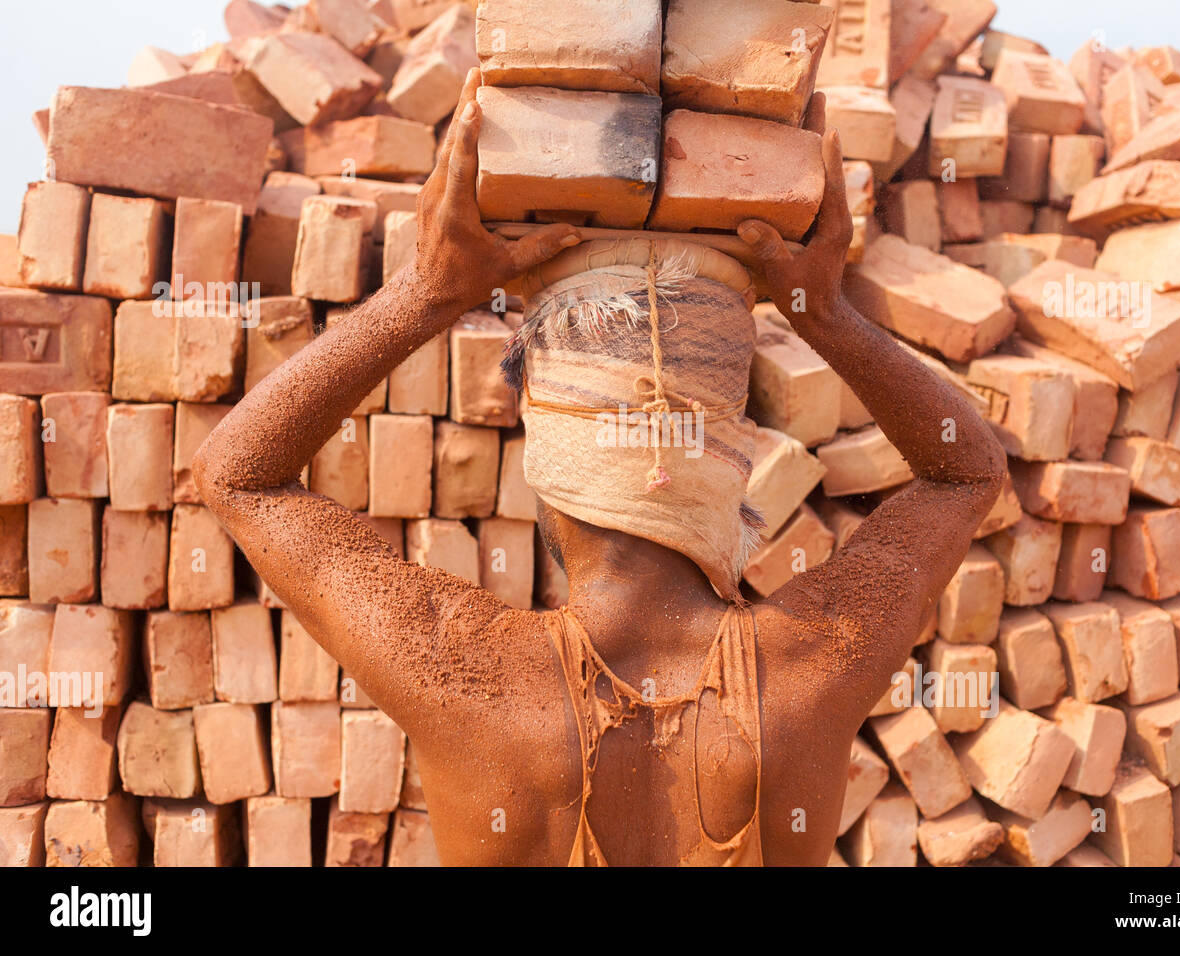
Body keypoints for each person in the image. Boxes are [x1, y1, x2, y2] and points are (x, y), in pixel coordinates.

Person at [192, 70, 1009, 866]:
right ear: (731, 459)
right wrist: (820, 311)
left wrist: (430, 293)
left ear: (550, 466)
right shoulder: (809, 668)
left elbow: (238, 473)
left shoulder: (467, 675)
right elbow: (966, 472)